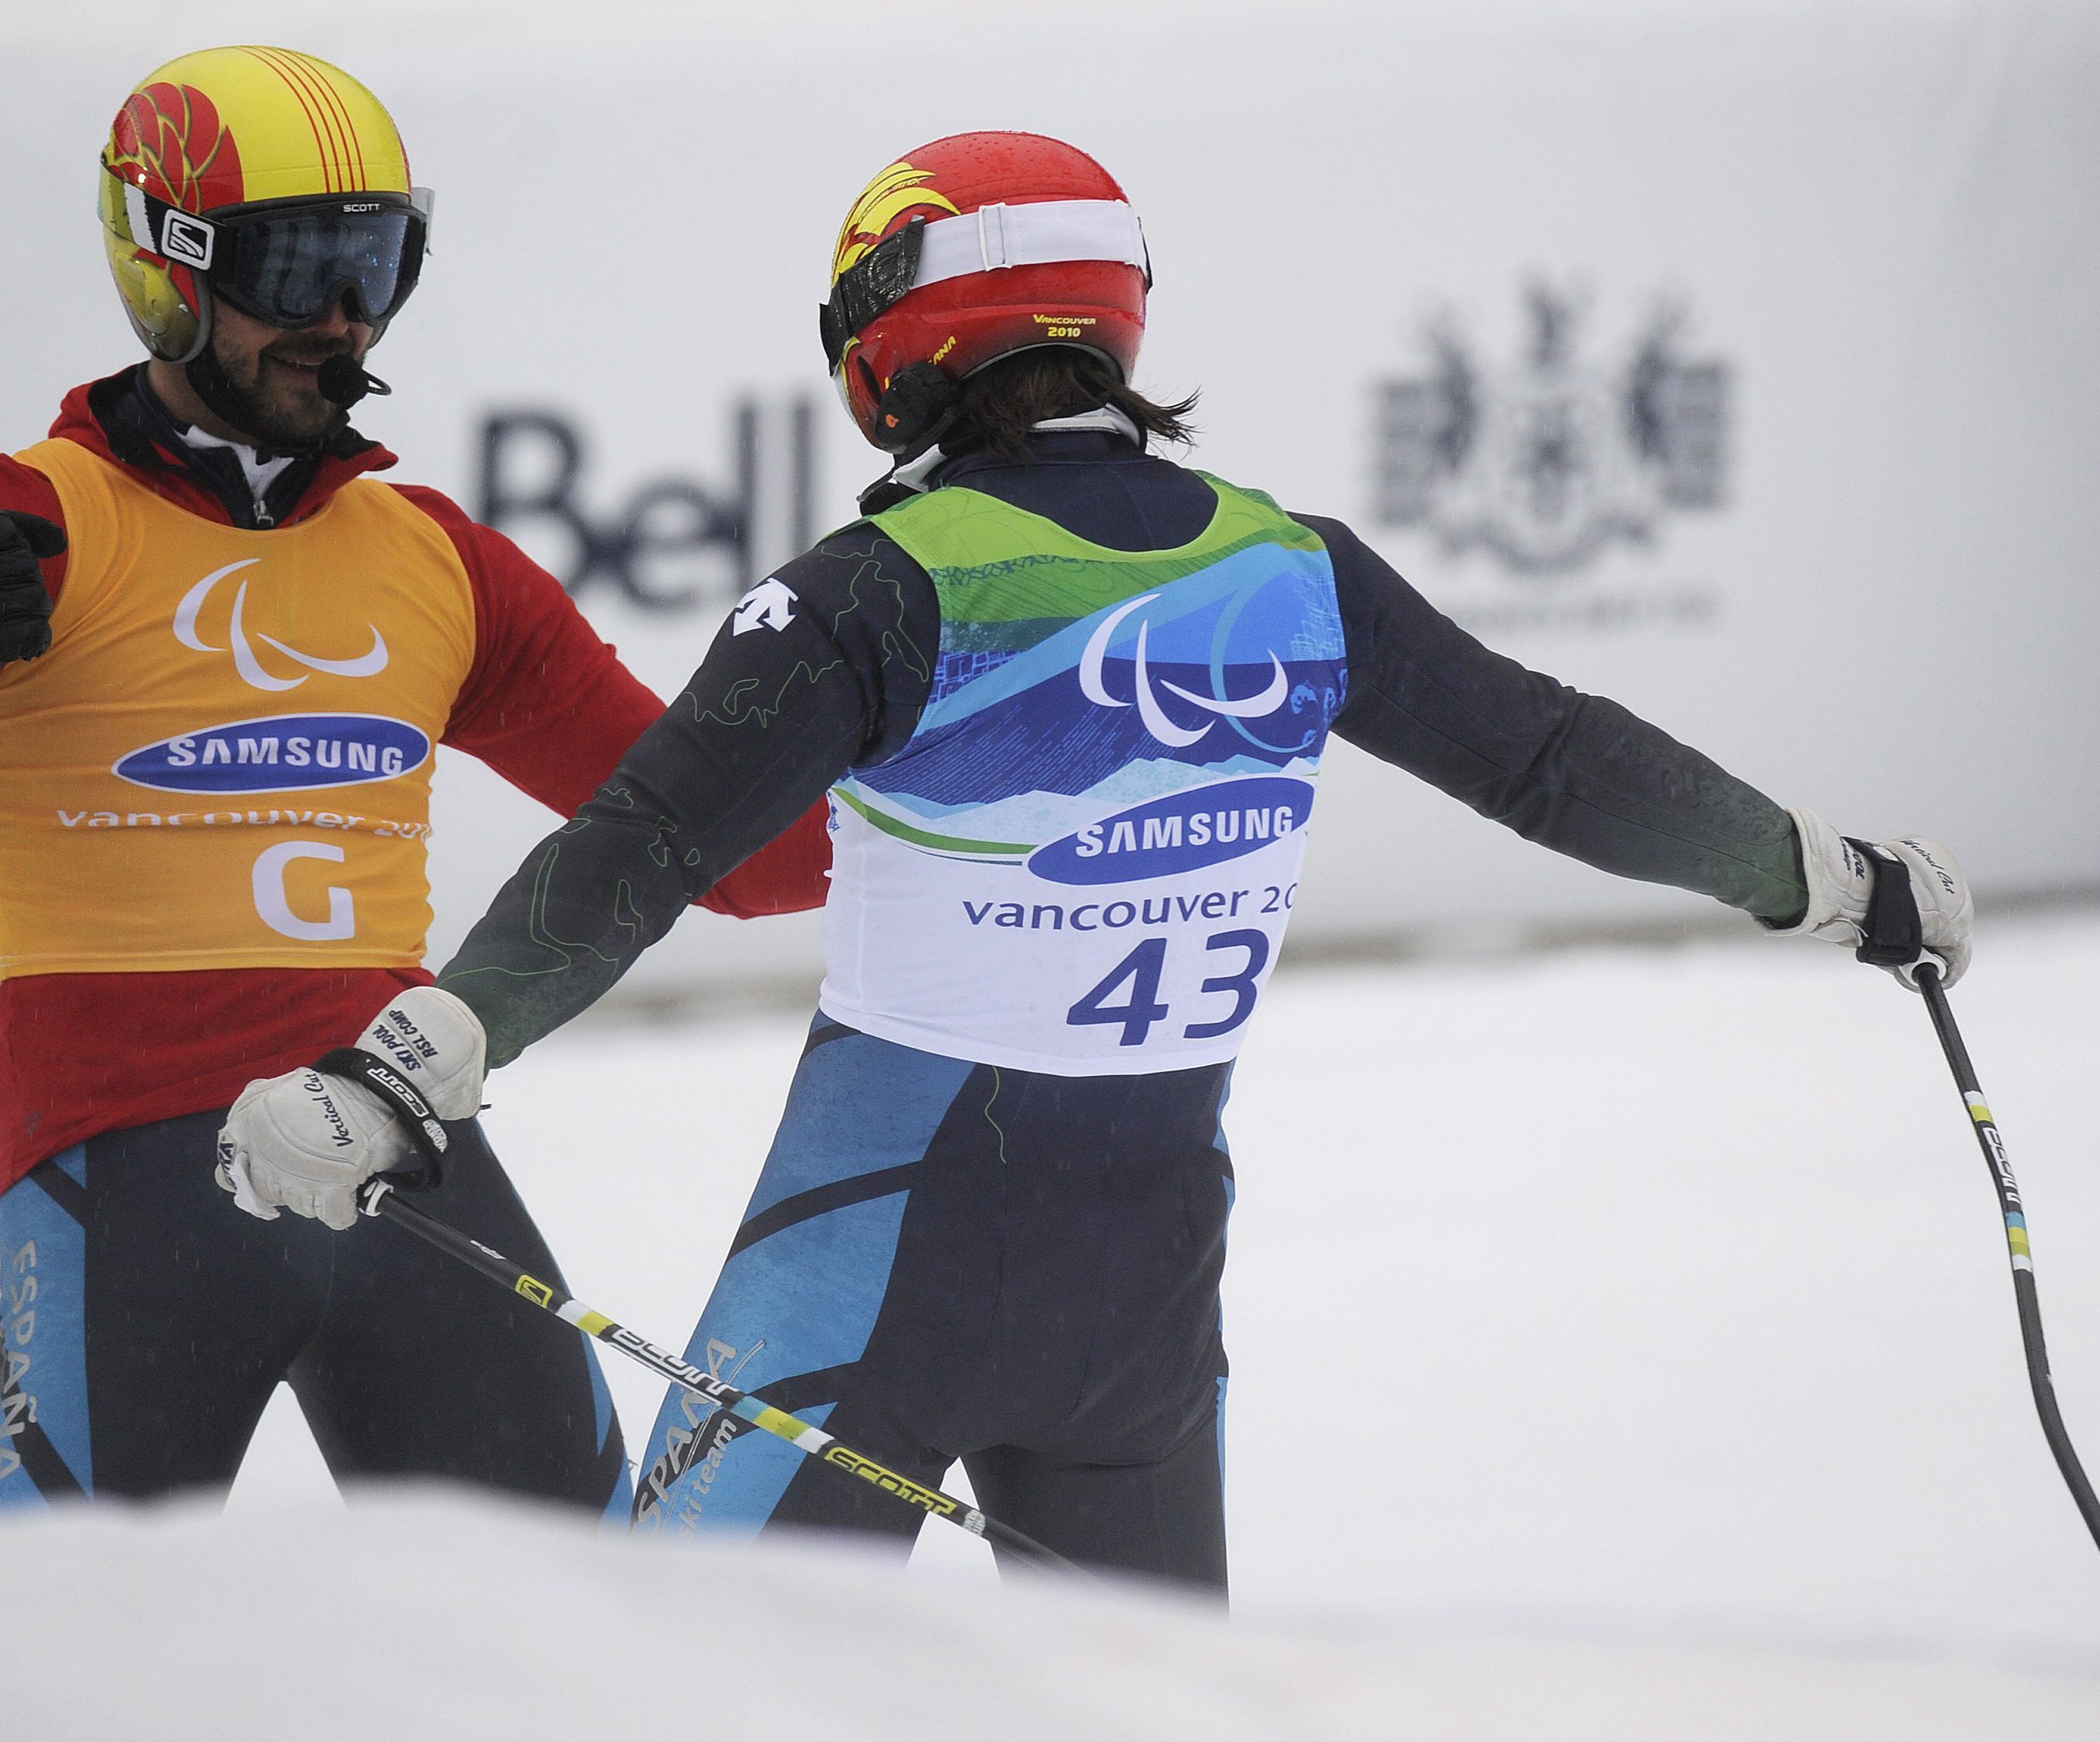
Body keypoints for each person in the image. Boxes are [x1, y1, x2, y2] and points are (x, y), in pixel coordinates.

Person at [215, 132, 1970, 1589]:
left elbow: (645, 845)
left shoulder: (881, 580)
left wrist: (403, 1071)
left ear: (900, 337)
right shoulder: (1295, 567)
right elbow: (1556, 761)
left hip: (874, 1259)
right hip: (1144, 1289)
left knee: (673, 1692)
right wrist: (1826, 874)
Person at [0, 46, 831, 1518]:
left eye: (375, 268)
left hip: (392, 1149)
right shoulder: (22, 511)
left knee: (586, 1628)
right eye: (293, 269)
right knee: (55, 1662)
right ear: (167, 269)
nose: (340, 321)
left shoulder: (434, 555)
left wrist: (972, 729)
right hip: (122, 1159)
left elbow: (745, 855)